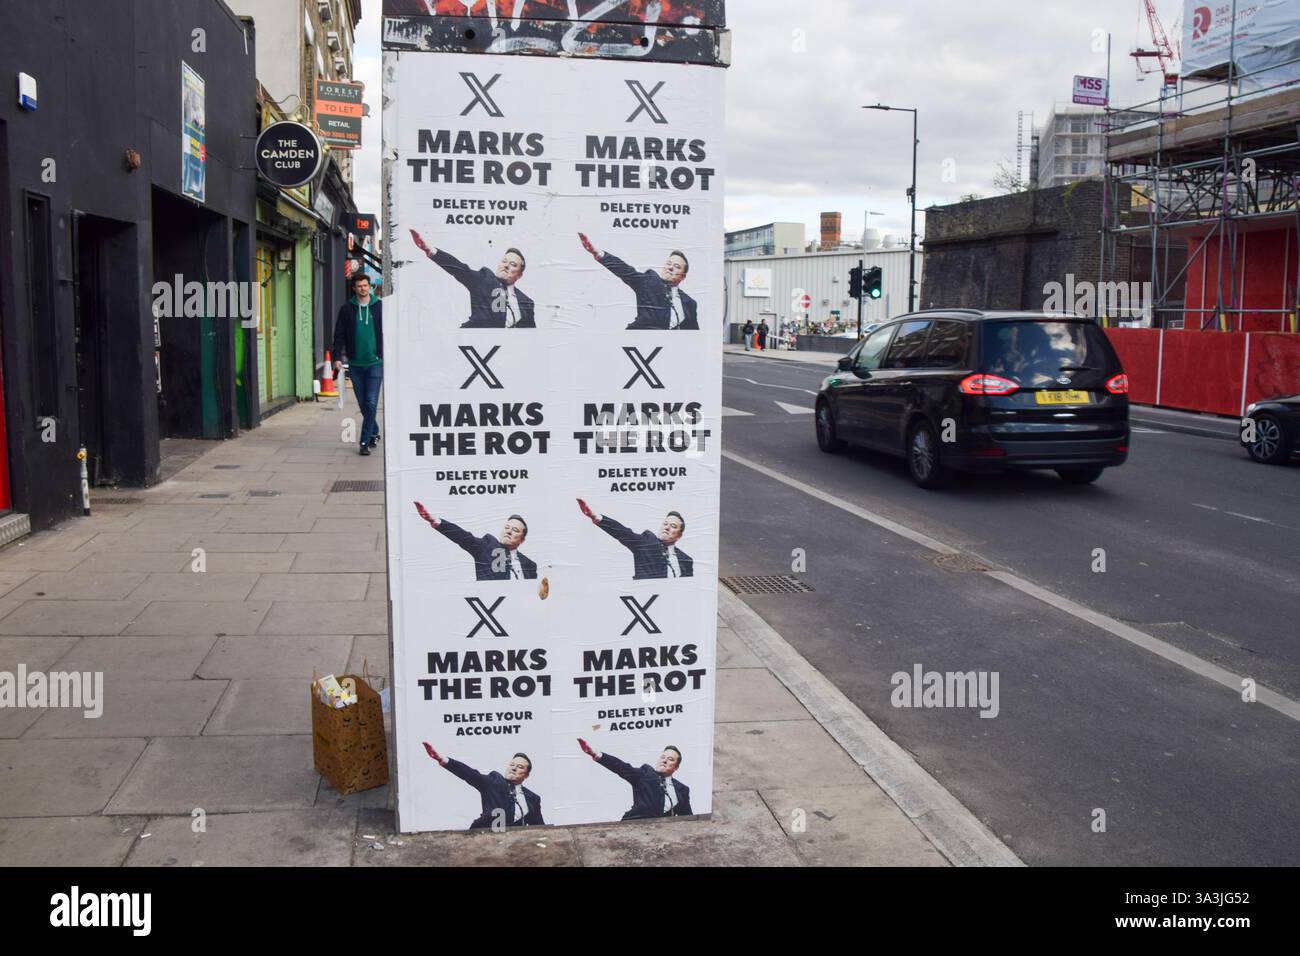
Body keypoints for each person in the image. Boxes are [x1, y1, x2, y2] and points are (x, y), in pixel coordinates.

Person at [409, 230, 535, 328]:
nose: (506, 265)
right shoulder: (485, 279)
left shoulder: (526, 302)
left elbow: (530, 338)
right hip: (472, 342)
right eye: (504, 261)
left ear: (519, 275)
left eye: (513, 264)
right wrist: (430, 250)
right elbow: (460, 269)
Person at [578, 233, 698, 330]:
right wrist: (597, 253)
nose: (670, 268)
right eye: (668, 264)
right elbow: (626, 270)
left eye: (677, 266)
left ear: (683, 276)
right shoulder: (650, 281)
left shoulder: (690, 303)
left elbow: (694, 336)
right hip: (637, 341)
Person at [423, 744, 544, 829]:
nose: (513, 768)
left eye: (520, 767)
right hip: (487, 837)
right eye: (512, 764)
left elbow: (540, 829)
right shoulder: (494, 781)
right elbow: (470, 774)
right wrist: (442, 760)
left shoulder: (533, 798)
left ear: (526, 775)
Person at [413, 503, 537, 581]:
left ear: (522, 540)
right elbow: (463, 537)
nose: (509, 531)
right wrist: (433, 520)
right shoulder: (487, 546)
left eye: (515, 530)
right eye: (507, 527)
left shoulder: (530, 565)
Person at [575, 499, 693, 579]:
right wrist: (595, 517)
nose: (666, 527)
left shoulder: (686, 560)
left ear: (679, 535)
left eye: (673, 526)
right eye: (665, 524)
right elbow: (623, 532)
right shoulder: (647, 542)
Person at [331, 273, 383, 456]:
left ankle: (364, 441)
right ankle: (375, 432)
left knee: (370, 402)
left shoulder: (379, 307)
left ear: (370, 286)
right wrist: (337, 357)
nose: (363, 288)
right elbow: (339, 335)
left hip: (376, 363)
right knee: (364, 404)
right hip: (355, 364)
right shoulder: (347, 309)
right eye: (359, 286)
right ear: (354, 288)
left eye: (365, 285)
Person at [577, 739, 692, 820]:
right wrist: (595, 754)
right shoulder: (645, 774)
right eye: (662, 757)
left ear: (676, 767)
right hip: (634, 826)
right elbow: (621, 767)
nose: (664, 760)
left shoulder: (682, 790)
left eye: (670, 759)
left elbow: (688, 819)